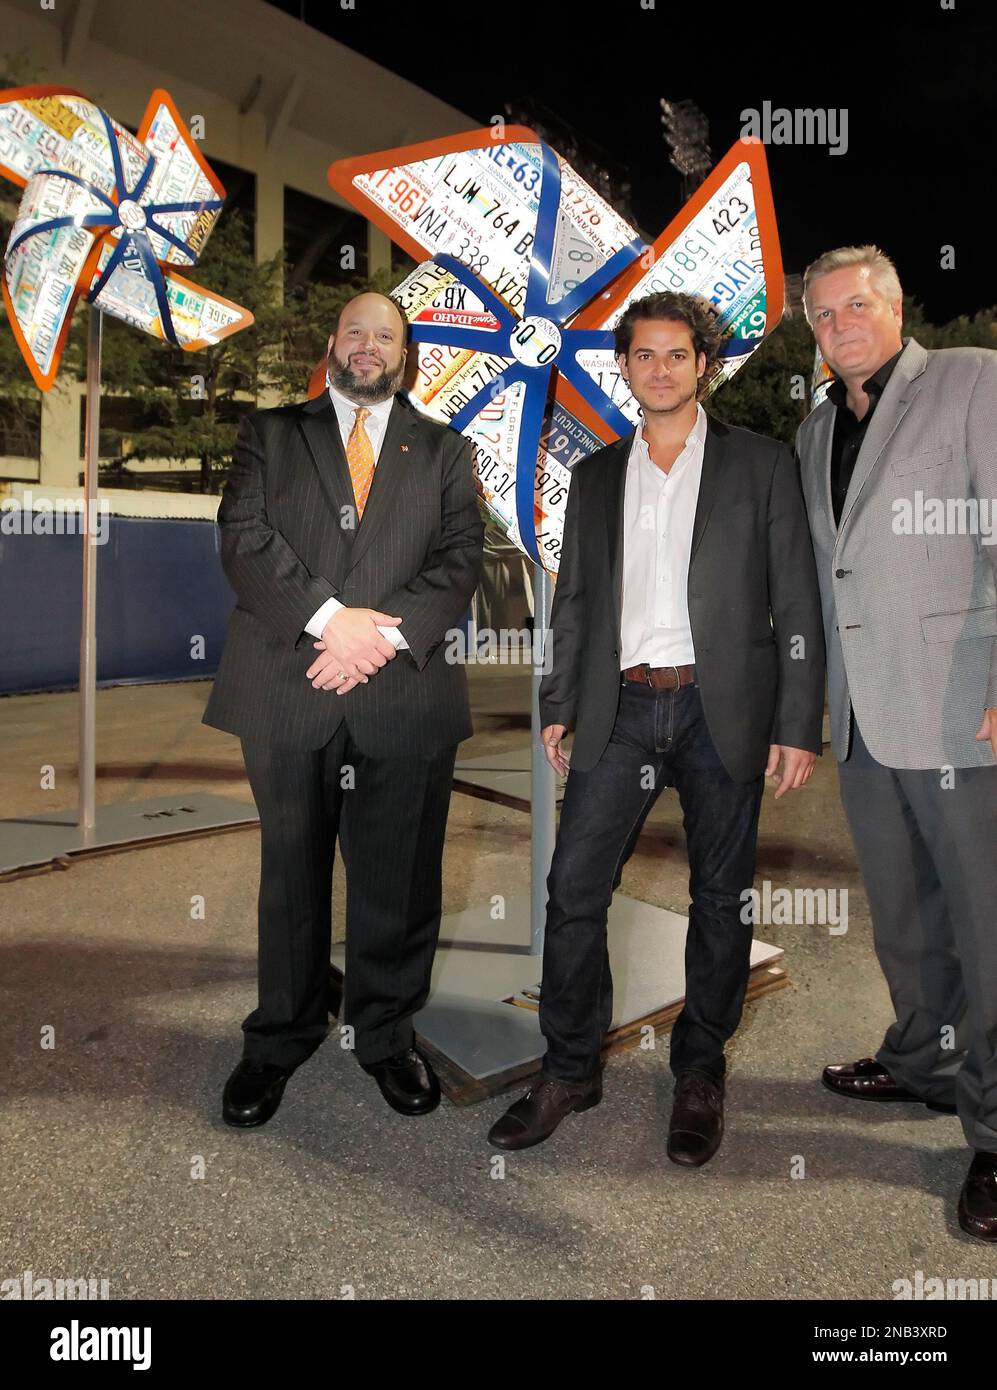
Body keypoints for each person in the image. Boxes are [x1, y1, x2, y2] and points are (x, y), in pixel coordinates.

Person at [488, 291, 825, 1164]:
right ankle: (569, 1067)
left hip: (724, 710)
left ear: (702, 365)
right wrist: (558, 703)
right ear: (625, 368)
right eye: (644, 355)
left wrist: (797, 722)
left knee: (719, 899)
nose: (661, 369)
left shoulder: (761, 464)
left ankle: (699, 1072)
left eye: (678, 354)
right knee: (574, 891)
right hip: (622, 708)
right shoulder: (596, 474)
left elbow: (795, 597)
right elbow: (575, 602)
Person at [203, 291, 484, 1126]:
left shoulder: (443, 449)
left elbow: (462, 555)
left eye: (385, 335)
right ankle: (278, 1040)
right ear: (332, 344)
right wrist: (332, 623)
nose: (368, 346)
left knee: (397, 880)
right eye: (355, 332)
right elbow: (243, 535)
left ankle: (386, 1037)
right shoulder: (272, 432)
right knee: (290, 877)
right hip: (290, 686)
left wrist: (381, 639)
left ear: (408, 355)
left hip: (404, 692)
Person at [796, 245, 997, 1241]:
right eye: (824, 314)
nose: (842, 323)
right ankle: (923, 1058)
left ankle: (995, 1137)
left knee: (986, 926)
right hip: (865, 719)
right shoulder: (813, 429)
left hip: (963, 708)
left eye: (858, 304)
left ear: (896, 303)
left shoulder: (970, 380)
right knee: (905, 917)